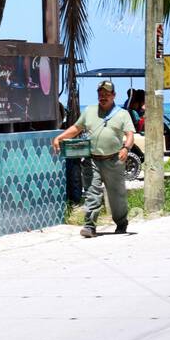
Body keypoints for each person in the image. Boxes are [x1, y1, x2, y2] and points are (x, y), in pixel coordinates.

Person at [52, 80, 134, 238]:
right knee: (92, 192)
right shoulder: (89, 111)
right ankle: (89, 226)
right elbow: (76, 128)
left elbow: (129, 134)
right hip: (92, 159)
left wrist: (126, 148)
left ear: (114, 95)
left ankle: (121, 222)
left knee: (117, 195)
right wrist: (60, 137)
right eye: (100, 94)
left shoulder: (122, 114)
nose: (103, 97)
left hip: (114, 160)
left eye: (107, 94)